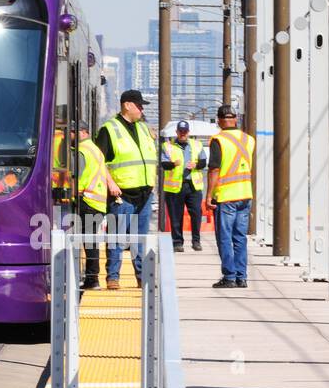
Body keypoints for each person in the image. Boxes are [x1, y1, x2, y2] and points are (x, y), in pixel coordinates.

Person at [95, 89, 159, 289]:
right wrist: (111, 184)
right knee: (117, 238)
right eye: (139, 105)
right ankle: (113, 277)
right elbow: (99, 161)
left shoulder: (143, 129)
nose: (141, 109)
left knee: (140, 239)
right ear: (127, 105)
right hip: (121, 195)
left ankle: (142, 276)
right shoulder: (109, 129)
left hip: (145, 194)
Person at [204, 104, 255, 289]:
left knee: (225, 237)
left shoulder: (218, 140)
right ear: (236, 119)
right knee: (240, 237)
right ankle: (242, 277)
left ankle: (229, 276)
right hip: (245, 194)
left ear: (219, 121)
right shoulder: (248, 140)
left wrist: (209, 195)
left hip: (226, 196)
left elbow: (214, 169)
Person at [72, 123, 121, 290]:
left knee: (89, 242)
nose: (70, 135)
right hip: (97, 201)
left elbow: (80, 175)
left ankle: (92, 279)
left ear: (83, 132)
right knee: (91, 241)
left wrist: (74, 191)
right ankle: (93, 278)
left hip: (87, 199)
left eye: (73, 132)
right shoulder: (94, 148)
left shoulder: (82, 150)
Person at [161, 120, 208, 253]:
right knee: (176, 216)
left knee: (196, 214)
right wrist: (173, 164)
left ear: (188, 132)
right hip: (175, 188)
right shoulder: (167, 146)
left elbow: (203, 162)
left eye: (185, 132)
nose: (182, 134)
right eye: (180, 132)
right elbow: (164, 164)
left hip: (193, 186)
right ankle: (177, 243)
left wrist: (196, 165)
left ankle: (196, 241)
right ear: (176, 132)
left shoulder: (197, 145)